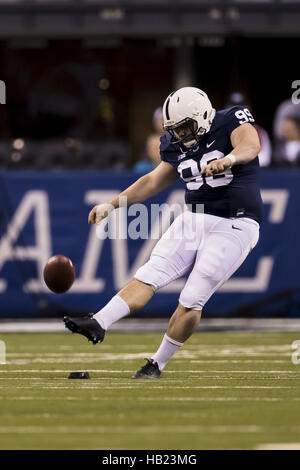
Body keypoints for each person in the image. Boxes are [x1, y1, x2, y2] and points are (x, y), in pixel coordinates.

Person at [64, 86, 262, 379]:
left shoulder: (230, 119)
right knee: (150, 273)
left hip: (236, 221)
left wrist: (228, 160)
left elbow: (251, 146)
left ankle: (157, 363)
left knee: (193, 294)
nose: (181, 135)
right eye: (175, 130)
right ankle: (99, 322)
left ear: (204, 116)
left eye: (185, 127)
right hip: (194, 218)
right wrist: (113, 204)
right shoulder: (173, 145)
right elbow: (153, 181)